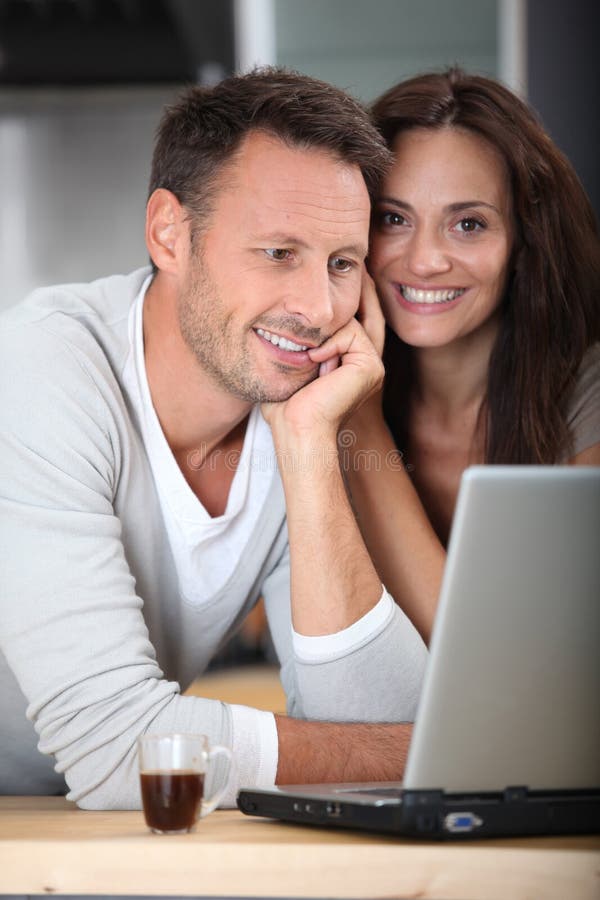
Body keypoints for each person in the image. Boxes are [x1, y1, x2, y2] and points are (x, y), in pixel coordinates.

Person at [0, 68, 428, 808]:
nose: (319, 307)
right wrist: (413, 754)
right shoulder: (42, 368)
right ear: (169, 233)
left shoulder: (295, 403)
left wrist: (314, 450)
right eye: (277, 253)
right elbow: (118, 752)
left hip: (55, 827)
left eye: (342, 264)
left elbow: (377, 721)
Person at [345, 67, 600, 645]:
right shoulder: (313, 390)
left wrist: (361, 423)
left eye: (468, 224)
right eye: (393, 218)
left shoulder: (589, 396)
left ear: (523, 241)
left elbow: (498, 654)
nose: (427, 259)